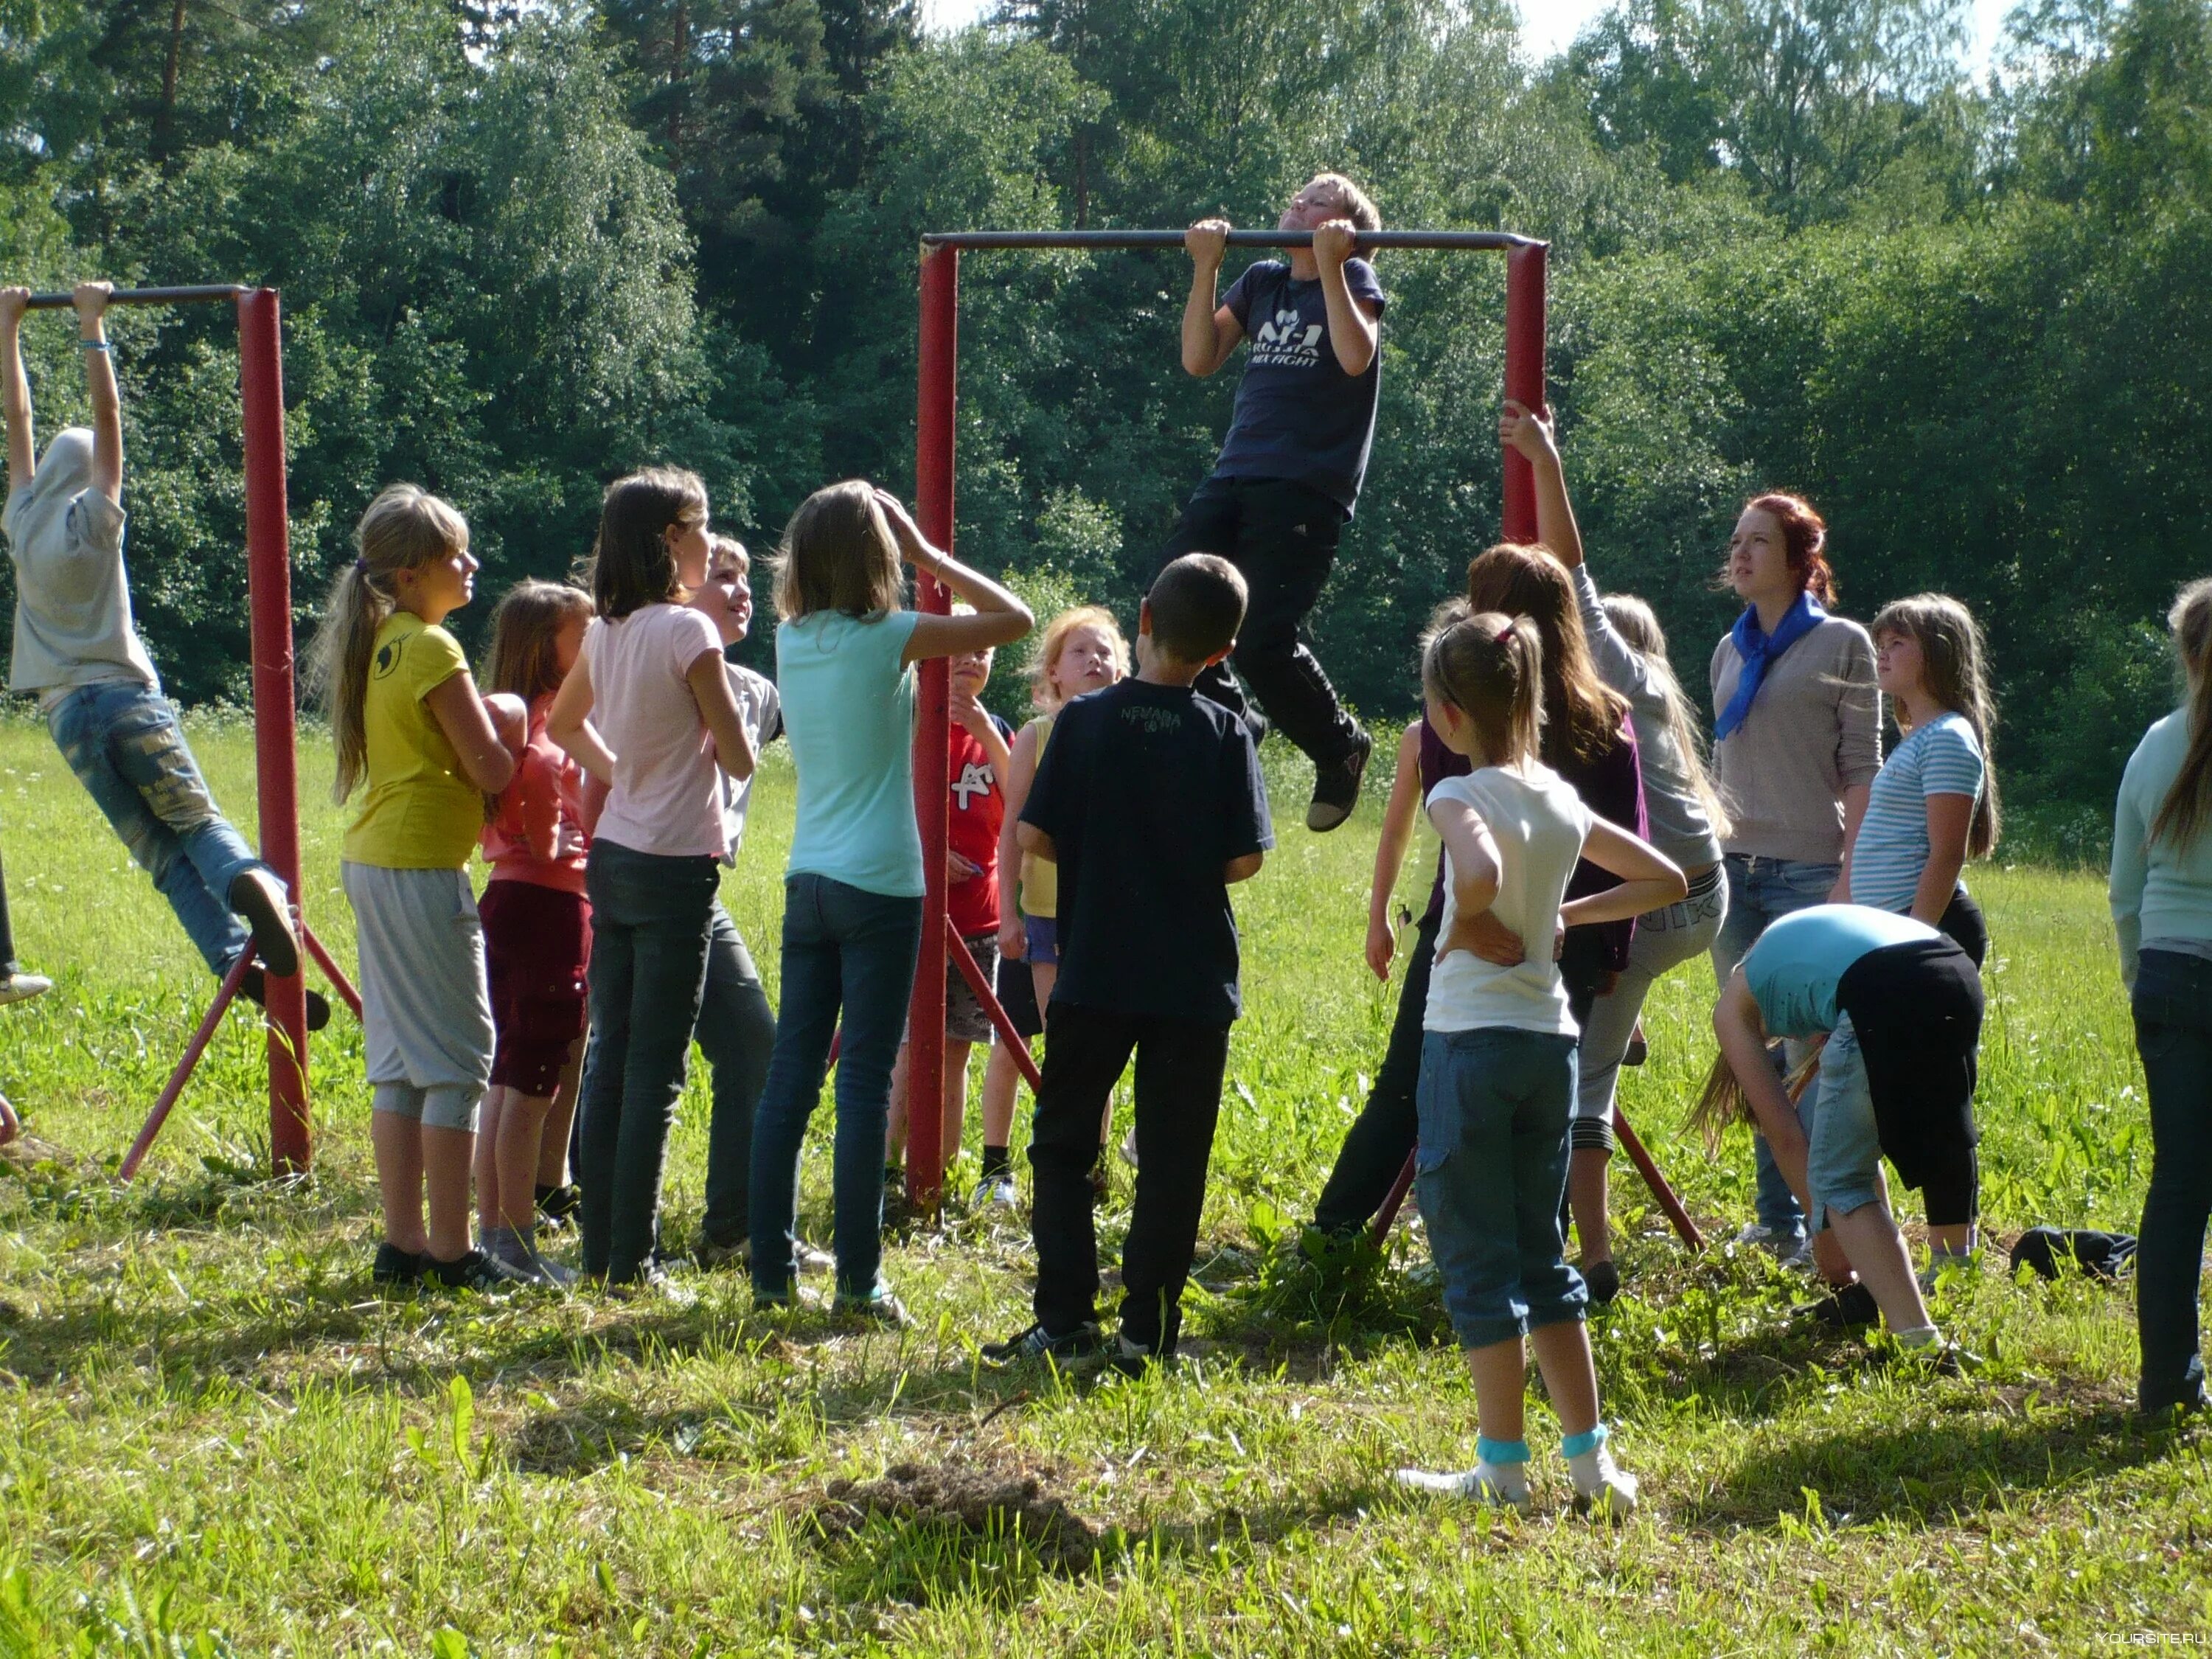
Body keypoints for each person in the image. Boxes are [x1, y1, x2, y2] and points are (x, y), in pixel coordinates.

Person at [1391, 606, 1683, 1518]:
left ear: (1447, 715)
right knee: (1543, 1256)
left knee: (1478, 1263)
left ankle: (1503, 1471)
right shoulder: (1560, 798)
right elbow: (1664, 878)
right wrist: (1564, 918)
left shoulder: (1457, 794)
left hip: (1468, 1045)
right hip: (1550, 1045)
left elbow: (1472, 877)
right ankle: (1593, 1467)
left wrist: (1470, 923)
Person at [745, 484, 1031, 1324]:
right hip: (884, 884)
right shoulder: (892, 636)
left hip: (810, 880)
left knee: (790, 1081)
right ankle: (859, 1284)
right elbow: (1011, 618)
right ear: (881, 559)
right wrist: (930, 555)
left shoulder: (791, 638)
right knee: (864, 1081)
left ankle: (770, 1274)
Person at [1310, 539, 1645, 1248]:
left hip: (1472, 935)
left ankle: (1336, 1233)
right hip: (1562, 947)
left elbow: (1471, 859)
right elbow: (1637, 856)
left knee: (1411, 1086)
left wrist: (1460, 925)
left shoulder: (1456, 723)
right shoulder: (1607, 725)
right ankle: (1538, 1257)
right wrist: (1602, 948)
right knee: (1539, 1120)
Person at [982, 553, 1272, 1373]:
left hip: (1097, 968)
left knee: (1066, 1145)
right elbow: (1245, 860)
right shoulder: (1225, 730)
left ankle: (1066, 1317)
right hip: (1191, 979)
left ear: (1143, 617)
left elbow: (1034, 835)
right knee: (1174, 1159)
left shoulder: (1084, 722)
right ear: (1222, 652)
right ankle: (1147, 1330)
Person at [1, 282, 314, 1025]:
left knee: (164, 859)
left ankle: (233, 963)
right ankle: (250, 882)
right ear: (89, 479)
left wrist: (7, 328)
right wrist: (91, 327)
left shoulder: (20, 519)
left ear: (44, 476)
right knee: (197, 825)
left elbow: (15, 414)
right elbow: (109, 421)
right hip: (124, 697)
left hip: (66, 721)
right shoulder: (98, 521)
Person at [1498, 400, 1729, 1303]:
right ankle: (1613, 1017)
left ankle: (1588, 1264)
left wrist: (1543, 461)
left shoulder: (1613, 674)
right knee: (1591, 1019)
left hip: (1665, 903)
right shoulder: (1647, 695)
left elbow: (1568, 568)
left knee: (1582, 1086)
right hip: (1694, 899)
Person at [546, 469, 759, 1288]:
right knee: (657, 1072)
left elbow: (567, 724)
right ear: (671, 540)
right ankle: (632, 1262)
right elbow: (738, 753)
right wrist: (700, 744)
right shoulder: (687, 635)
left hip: (616, 855)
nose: (710, 544)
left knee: (615, 1054)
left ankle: (603, 1248)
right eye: (702, 528)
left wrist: (625, 770)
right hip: (676, 867)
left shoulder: (607, 629)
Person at [314, 485, 522, 1290]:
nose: (470, 565)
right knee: (464, 1062)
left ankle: (401, 1246)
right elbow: (491, 767)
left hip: (374, 858)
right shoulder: (434, 650)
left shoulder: (384, 642)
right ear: (408, 577)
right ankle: (450, 1251)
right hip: (419, 868)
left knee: (400, 1060)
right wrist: (512, 717)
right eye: (454, 557)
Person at [1168, 173, 1387, 832]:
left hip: (1305, 484)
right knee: (1171, 605)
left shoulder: (1353, 284)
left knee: (1261, 636)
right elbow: (1199, 359)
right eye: (1296, 197)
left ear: (1345, 229)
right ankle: (1239, 718)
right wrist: (1206, 268)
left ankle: (1338, 744)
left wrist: (1332, 267)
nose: (1297, 204)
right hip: (1237, 470)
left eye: (1317, 201)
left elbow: (1355, 359)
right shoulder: (1261, 280)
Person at [1707, 492, 1880, 1260]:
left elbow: (1862, 771)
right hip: (1733, 874)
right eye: (1737, 541)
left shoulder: (1843, 643)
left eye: (1758, 543)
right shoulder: (1729, 648)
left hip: (1811, 871)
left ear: (1799, 559)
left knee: (1815, 1050)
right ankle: (1778, 1219)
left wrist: (1850, 875)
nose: (1740, 555)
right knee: (1754, 1045)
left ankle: (1834, 1224)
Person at [1701, 904, 1978, 1361]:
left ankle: (1919, 1345)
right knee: (1941, 1135)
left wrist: (1827, 1242)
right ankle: (1946, 1286)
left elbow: (1786, 1139)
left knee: (1839, 1182)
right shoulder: (1790, 965)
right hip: (1953, 968)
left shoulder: (1731, 1012)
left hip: (1884, 985)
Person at [1852, 593, 2001, 1284]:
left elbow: (1946, 854)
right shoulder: (1920, 739)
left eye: (1898, 642)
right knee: (1911, 1091)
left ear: (1937, 654)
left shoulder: (1948, 737)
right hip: (1898, 936)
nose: (1882, 651)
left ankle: (1953, 1258)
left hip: (1927, 933)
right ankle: (1930, 1250)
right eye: (1882, 640)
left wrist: (1910, 942)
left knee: (1940, 1096)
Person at [687, 536, 819, 1276]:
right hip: (643, 876)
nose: (738, 591)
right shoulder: (658, 659)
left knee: (742, 1047)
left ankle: (735, 1226)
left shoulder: (757, 692)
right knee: (637, 1053)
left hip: (701, 883)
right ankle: (586, 1214)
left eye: (743, 580)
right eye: (719, 578)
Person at [980, 605, 1131, 1208]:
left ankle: (1091, 1168)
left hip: (1108, 917)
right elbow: (1013, 825)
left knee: (1097, 1047)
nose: (1095, 660)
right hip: (1042, 915)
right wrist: (1008, 912)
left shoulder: (1128, 732)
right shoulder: (1037, 737)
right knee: (1039, 1041)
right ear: (1053, 674)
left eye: (1105, 653)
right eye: (1080, 652)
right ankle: (1012, 1166)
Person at [473, 578, 597, 1285]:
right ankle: (513, 1237)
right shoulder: (538, 722)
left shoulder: (539, 716)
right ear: (541, 647)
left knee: (513, 1071)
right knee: (531, 1080)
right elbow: (543, 831)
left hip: (519, 903)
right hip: (544, 906)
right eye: (579, 636)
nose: (592, 647)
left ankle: (498, 1231)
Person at [2111, 577, 2212, 1417]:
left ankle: (2167, 1380)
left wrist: (2137, 976)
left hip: (2171, 977)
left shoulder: (2156, 744)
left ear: (2185, 654)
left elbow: (2124, 889)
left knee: (2180, 1183)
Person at [883, 624, 1015, 1195]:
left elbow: (1022, 801)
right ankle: (888, 1168)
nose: (971, 661)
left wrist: (985, 729)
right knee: (908, 1051)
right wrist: (928, 853)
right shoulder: (908, 723)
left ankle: (940, 1171)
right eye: (960, 648)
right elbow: (883, 805)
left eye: (982, 652)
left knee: (958, 1049)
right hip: (915, 913)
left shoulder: (999, 731)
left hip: (979, 923)